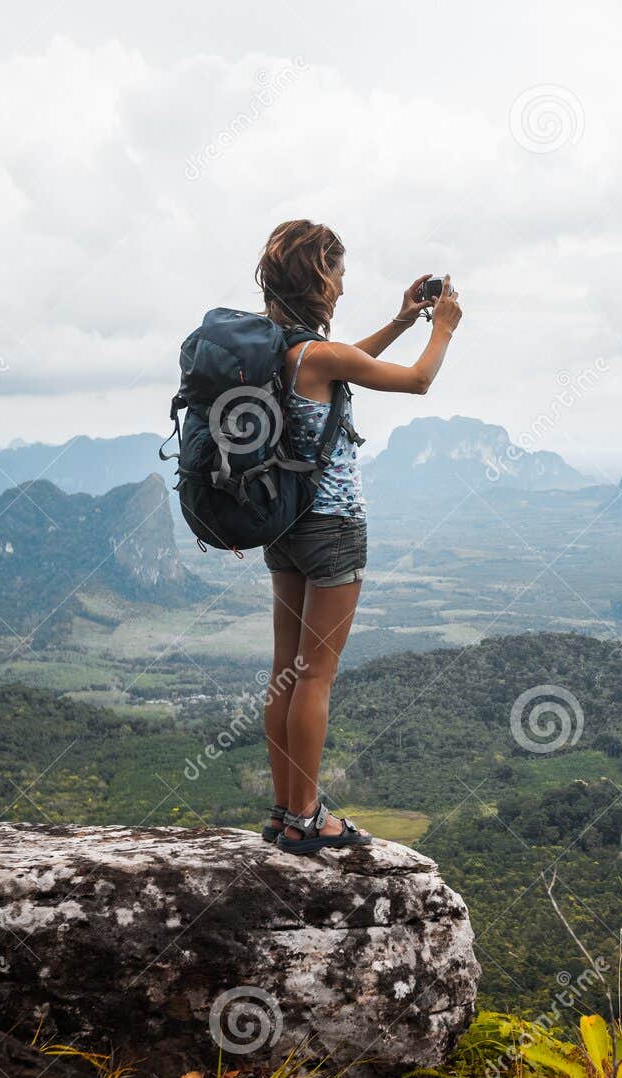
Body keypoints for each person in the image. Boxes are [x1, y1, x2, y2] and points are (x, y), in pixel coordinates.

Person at [253, 219, 462, 853]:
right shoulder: (319, 355)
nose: (343, 288)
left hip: (283, 526)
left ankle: (287, 811)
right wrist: (443, 328)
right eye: (339, 274)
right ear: (320, 276)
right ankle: (310, 818)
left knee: (285, 672)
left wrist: (401, 321)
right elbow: (417, 380)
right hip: (333, 527)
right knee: (315, 676)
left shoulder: (274, 348)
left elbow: (349, 364)